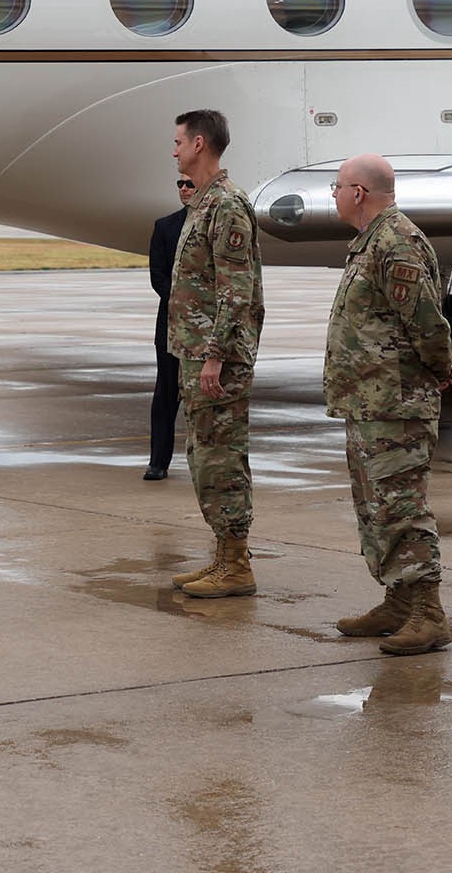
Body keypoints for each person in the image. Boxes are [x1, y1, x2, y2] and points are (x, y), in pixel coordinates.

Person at [324, 154, 452, 654]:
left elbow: (426, 321)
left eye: (337, 187)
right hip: (369, 400)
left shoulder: (395, 241)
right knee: (377, 507)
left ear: (359, 192)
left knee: (402, 506)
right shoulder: (371, 241)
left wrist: (439, 364)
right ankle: (400, 601)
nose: (334, 195)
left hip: (396, 404)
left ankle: (428, 612)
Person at [165, 110, 266, 598]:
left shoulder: (226, 206)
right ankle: (224, 555)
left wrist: (215, 356)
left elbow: (235, 289)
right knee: (204, 458)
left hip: (216, 359)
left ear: (199, 144)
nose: (174, 149)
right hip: (195, 353)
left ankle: (236, 563)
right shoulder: (202, 205)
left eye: (179, 141)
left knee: (222, 460)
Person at [144, 175, 196, 480]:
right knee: (166, 391)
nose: (185, 189)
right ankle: (157, 462)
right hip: (171, 323)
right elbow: (158, 276)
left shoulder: (214, 224)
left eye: (190, 184)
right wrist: (185, 302)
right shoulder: (165, 227)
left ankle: (205, 462)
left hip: (207, 327)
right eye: (179, 184)